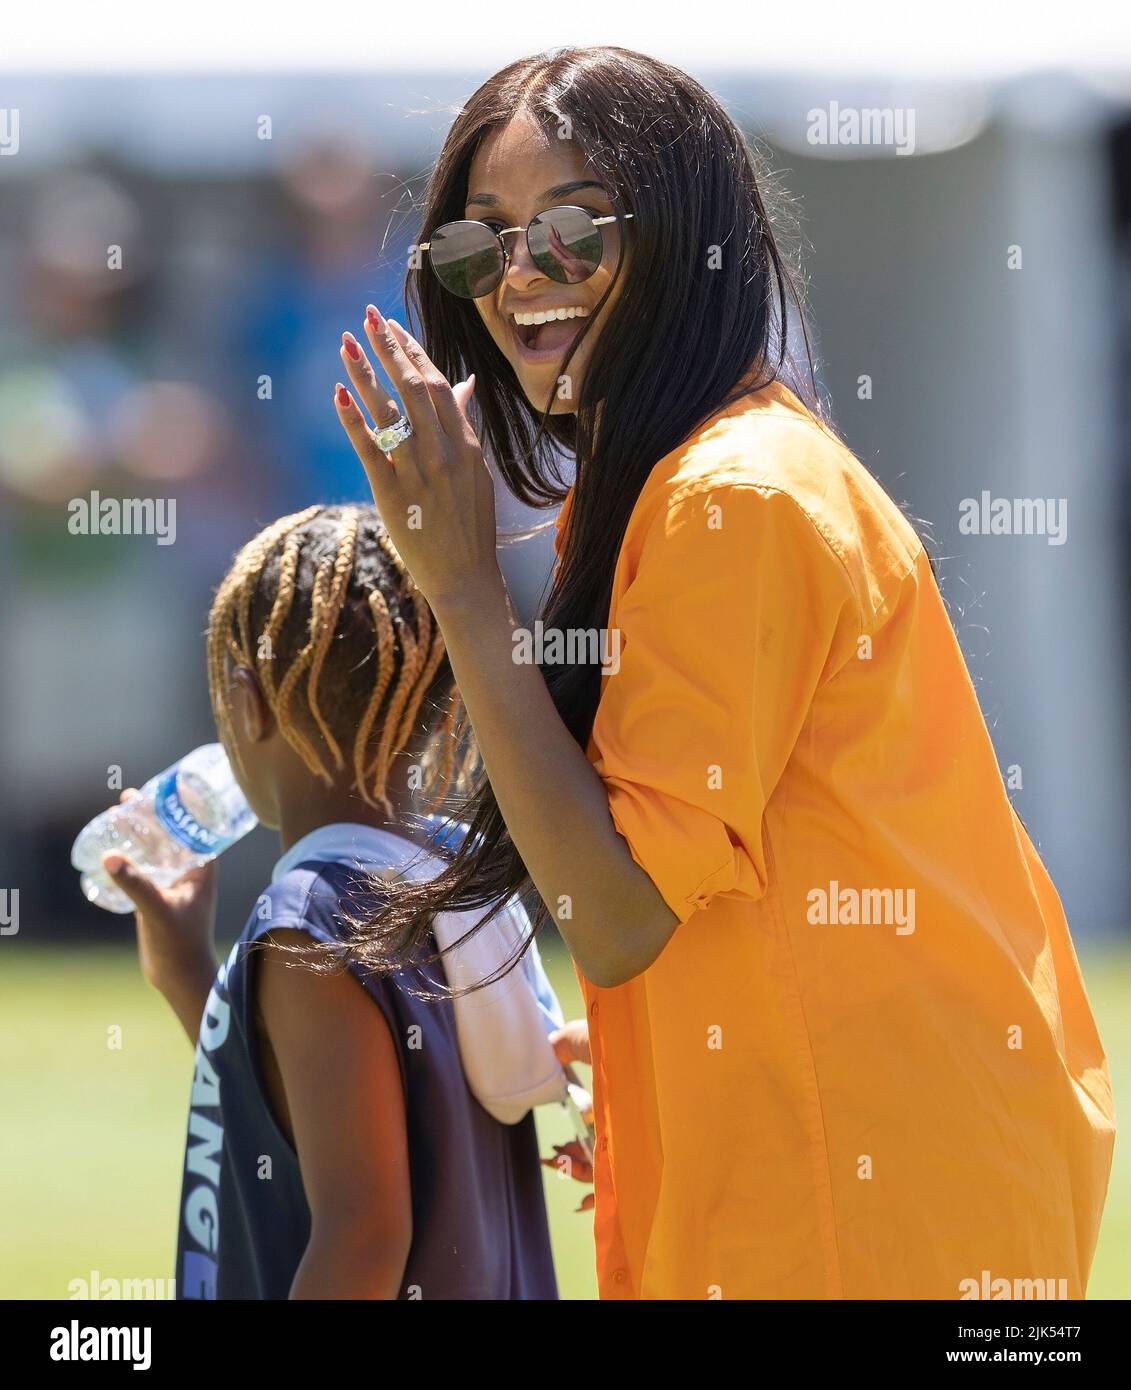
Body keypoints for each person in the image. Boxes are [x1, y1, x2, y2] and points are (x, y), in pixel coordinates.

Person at [326, 45, 1116, 1301]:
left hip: (883, 1197)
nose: (523, 278)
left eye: (573, 230)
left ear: (688, 236)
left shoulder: (731, 497)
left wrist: (466, 592)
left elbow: (623, 913)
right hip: (874, 1161)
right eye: (484, 246)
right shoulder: (672, 488)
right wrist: (670, 1061)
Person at [104, 503, 560, 1299]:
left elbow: (364, 1238)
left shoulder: (308, 923)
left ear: (246, 703)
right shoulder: (452, 873)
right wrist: (190, 977)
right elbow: (309, 1114)